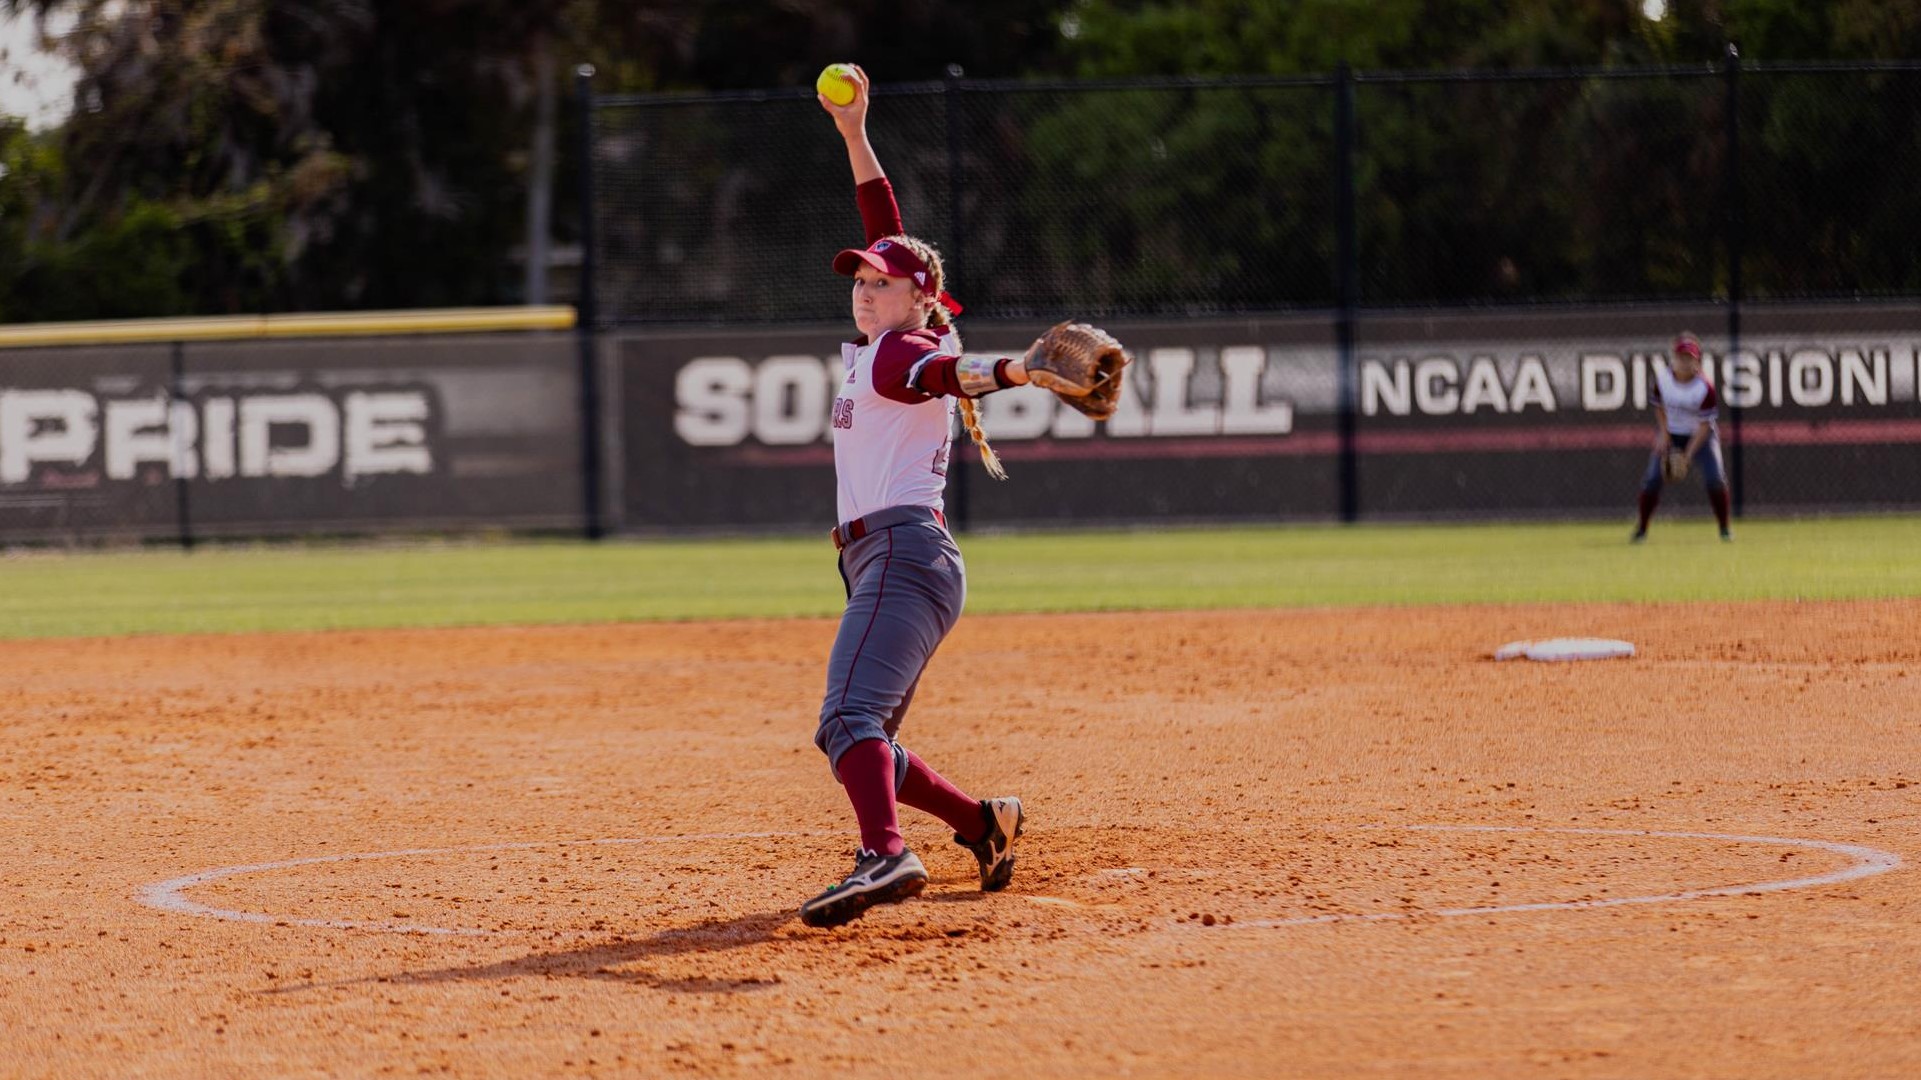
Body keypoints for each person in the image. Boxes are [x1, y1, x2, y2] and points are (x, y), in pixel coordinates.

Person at [799, 65, 1029, 929]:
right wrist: (854, 132)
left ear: (918, 300)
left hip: (900, 552)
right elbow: (887, 229)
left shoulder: (903, 353)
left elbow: (943, 369)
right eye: (857, 279)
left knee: (847, 718)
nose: (863, 288)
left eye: (879, 283)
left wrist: (1010, 370)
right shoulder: (882, 337)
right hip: (885, 559)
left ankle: (886, 855)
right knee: (864, 739)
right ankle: (984, 824)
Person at [1632, 332, 1732, 543]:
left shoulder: (1705, 387)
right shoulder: (1663, 380)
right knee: (1652, 479)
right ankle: (1641, 530)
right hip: (1671, 433)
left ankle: (1724, 528)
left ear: (1698, 361)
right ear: (1673, 358)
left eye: (1690, 358)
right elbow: (1658, 407)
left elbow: (1705, 426)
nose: (1685, 362)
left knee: (1715, 478)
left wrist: (1687, 456)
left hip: (1701, 437)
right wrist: (1664, 433)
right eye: (1681, 357)